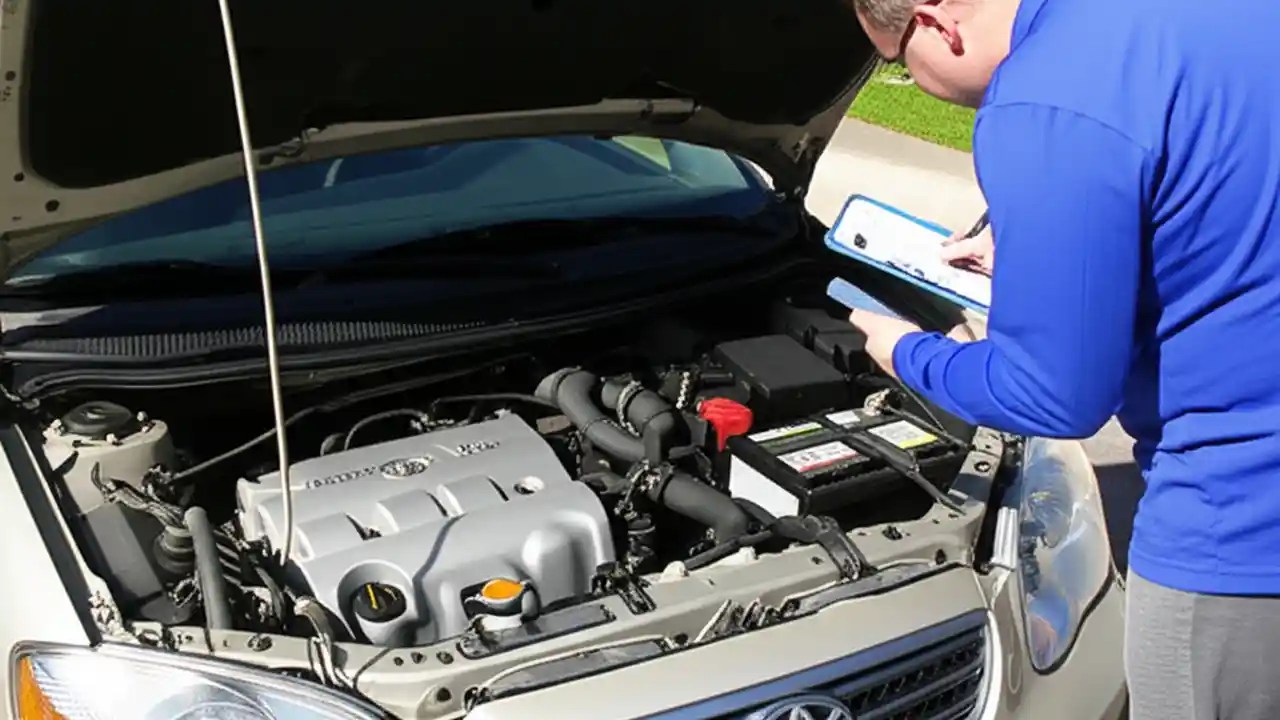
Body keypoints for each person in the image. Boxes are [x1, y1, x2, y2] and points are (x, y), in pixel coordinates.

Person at [845, 0, 1280, 718]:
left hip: (1238, 539)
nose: (906, 76)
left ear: (933, 22)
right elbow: (1221, 207)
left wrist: (905, 353)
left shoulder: (1044, 95)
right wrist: (1055, 250)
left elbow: (1055, 398)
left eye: (893, 59)